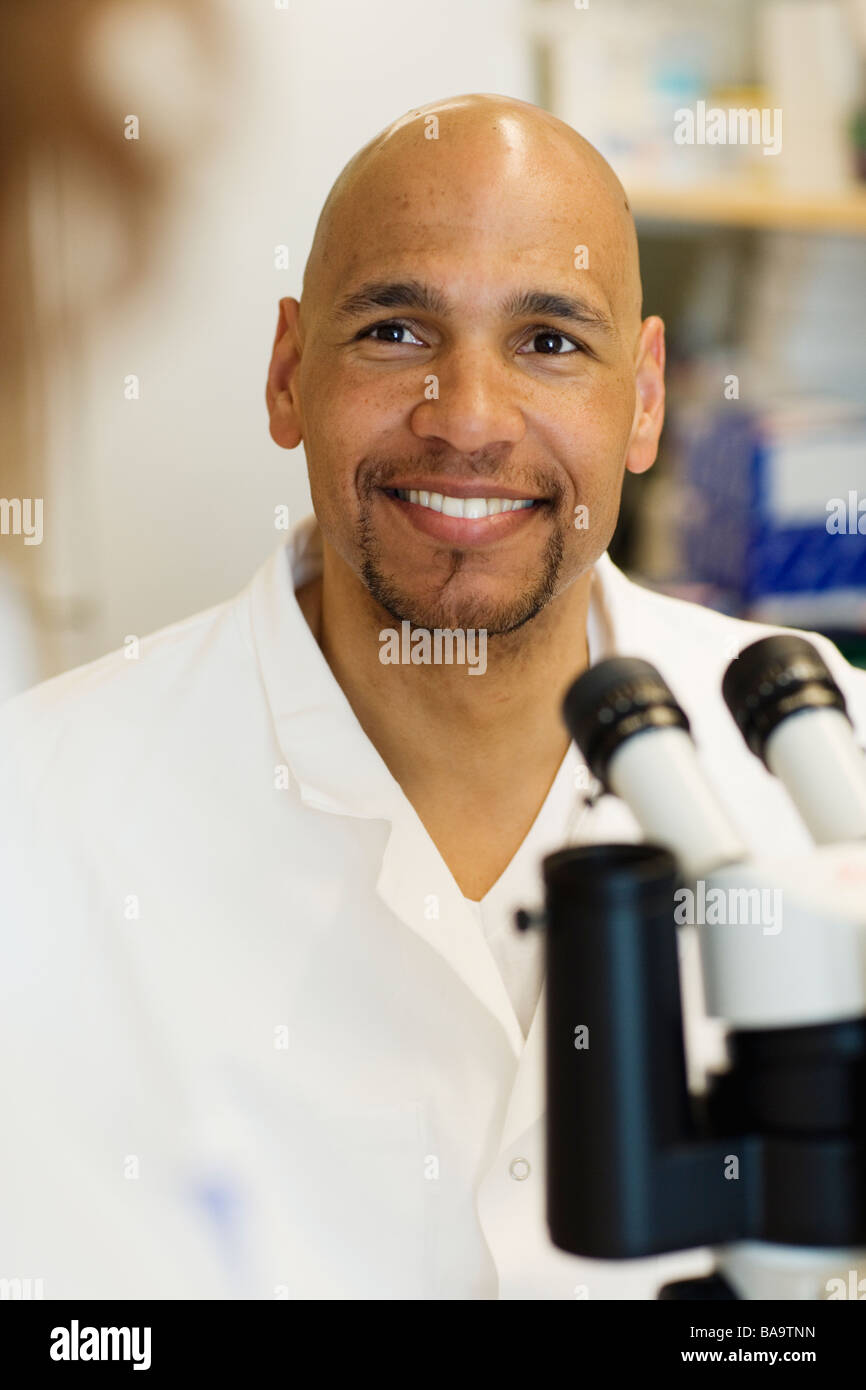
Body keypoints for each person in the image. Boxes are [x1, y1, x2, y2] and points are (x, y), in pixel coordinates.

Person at [2, 92, 865, 1301]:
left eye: (550, 341)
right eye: (397, 331)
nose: (465, 417)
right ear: (288, 373)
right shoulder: (38, 818)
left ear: (648, 398)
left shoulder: (828, 761)